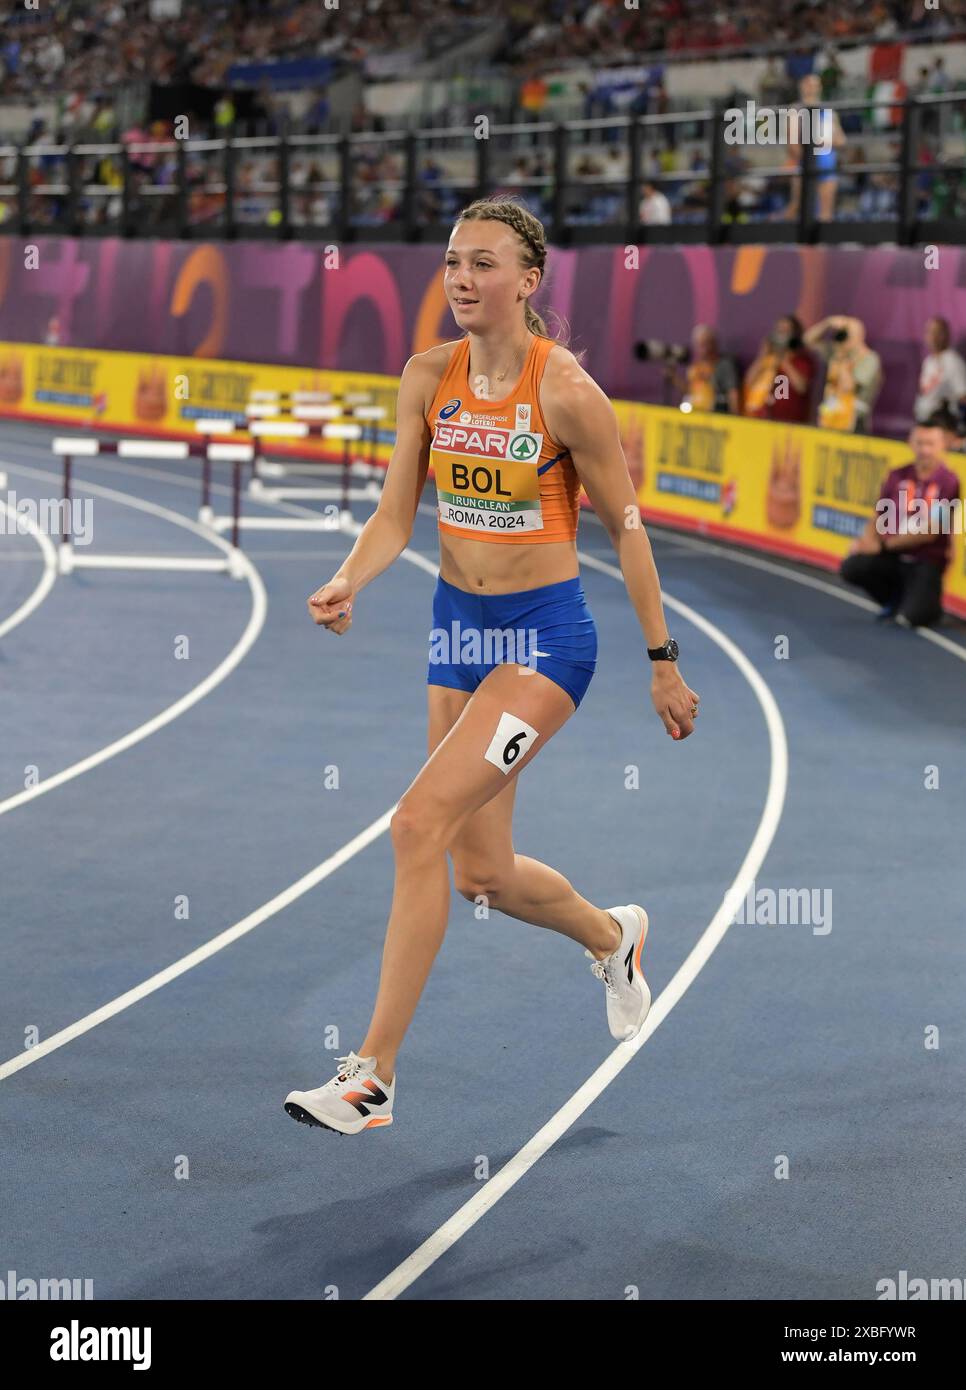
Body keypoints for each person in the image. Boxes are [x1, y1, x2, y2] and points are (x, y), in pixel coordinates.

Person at [284, 196, 700, 1136]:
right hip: (458, 632)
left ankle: (372, 1077)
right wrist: (348, 576)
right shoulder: (427, 375)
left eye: (482, 264)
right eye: (452, 262)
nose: (462, 280)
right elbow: (398, 514)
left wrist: (662, 660)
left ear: (527, 281)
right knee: (481, 872)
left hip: (544, 641)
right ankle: (613, 936)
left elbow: (629, 531)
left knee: (414, 824)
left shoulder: (567, 393)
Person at [840, 411, 961, 627]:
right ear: (911, 443)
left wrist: (884, 546)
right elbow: (878, 514)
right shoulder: (897, 475)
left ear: (942, 445)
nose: (924, 450)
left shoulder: (949, 482)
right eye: (920, 443)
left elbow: (931, 531)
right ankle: (893, 600)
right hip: (892, 559)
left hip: (925, 562)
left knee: (914, 618)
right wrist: (867, 541)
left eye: (930, 444)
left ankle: (925, 605)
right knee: (852, 566)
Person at [785, 72, 846, 223]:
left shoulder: (828, 112)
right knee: (798, 206)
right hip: (805, 165)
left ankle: (820, 243)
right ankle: (779, 238)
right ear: (802, 87)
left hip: (826, 165)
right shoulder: (796, 110)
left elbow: (841, 140)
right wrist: (805, 161)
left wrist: (824, 140)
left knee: (826, 212)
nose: (811, 88)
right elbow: (792, 143)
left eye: (815, 85)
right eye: (808, 84)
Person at [805, 314, 882, 433]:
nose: (843, 338)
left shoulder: (869, 358)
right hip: (830, 416)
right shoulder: (836, 351)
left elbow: (847, 387)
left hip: (853, 421)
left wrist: (842, 358)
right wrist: (827, 323)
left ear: (859, 336)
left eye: (847, 333)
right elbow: (807, 340)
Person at [743, 314, 815, 423]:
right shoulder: (768, 358)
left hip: (790, 423)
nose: (782, 334)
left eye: (786, 330)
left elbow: (801, 387)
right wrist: (763, 356)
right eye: (780, 330)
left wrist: (785, 361)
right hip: (761, 419)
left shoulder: (802, 360)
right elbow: (749, 381)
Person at [914, 316, 966, 425]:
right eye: (928, 332)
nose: (930, 336)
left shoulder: (952, 361)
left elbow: (963, 395)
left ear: (945, 335)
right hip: (923, 420)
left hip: (943, 424)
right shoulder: (928, 362)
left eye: (936, 332)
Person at [677, 325, 740, 414]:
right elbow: (690, 391)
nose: (701, 348)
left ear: (713, 344)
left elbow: (733, 393)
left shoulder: (724, 365)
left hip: (715, 417)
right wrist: (673, 377)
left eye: (704, 343)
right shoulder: (696, 367)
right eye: (698, 344)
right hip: (694, 415)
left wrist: (735, 417)